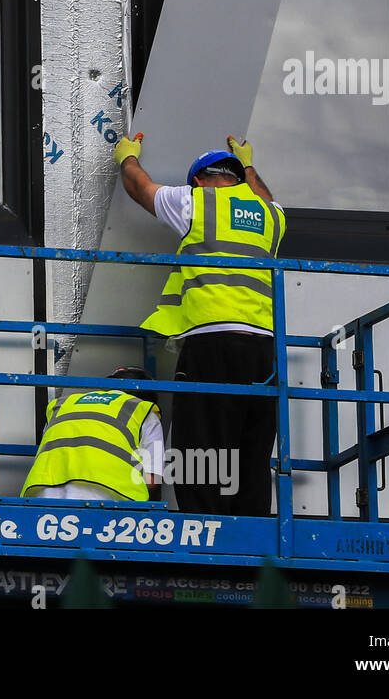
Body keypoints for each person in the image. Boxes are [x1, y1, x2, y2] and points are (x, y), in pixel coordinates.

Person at [113, 133, 285, 516]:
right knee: (252, 447)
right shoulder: (272, 216)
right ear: (240, 178)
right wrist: (250, 164)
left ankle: (204, 526)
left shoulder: (196, 202)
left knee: (198, 447)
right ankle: (251, 534)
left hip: (212, 342)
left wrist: (127, 157)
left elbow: (140, 188)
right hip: (264, 351)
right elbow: (265, 198)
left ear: (199, 179)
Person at [22, 367, 165, 503]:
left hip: (41, 494)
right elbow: (151, 480)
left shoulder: (62, 404)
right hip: (106, 497)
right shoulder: (143, 410)